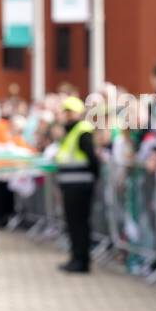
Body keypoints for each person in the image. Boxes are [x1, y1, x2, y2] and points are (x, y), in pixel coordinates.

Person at [54, 96, 99, 274]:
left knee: (79, 224)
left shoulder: (82, 131)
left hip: (79, 187)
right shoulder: (72, 132)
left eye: (69, 112)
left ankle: (81, 261)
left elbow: (92, 160)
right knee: (74, 224)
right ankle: (75, 258)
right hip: (72, 186)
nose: (66, 115)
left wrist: (93, 180)